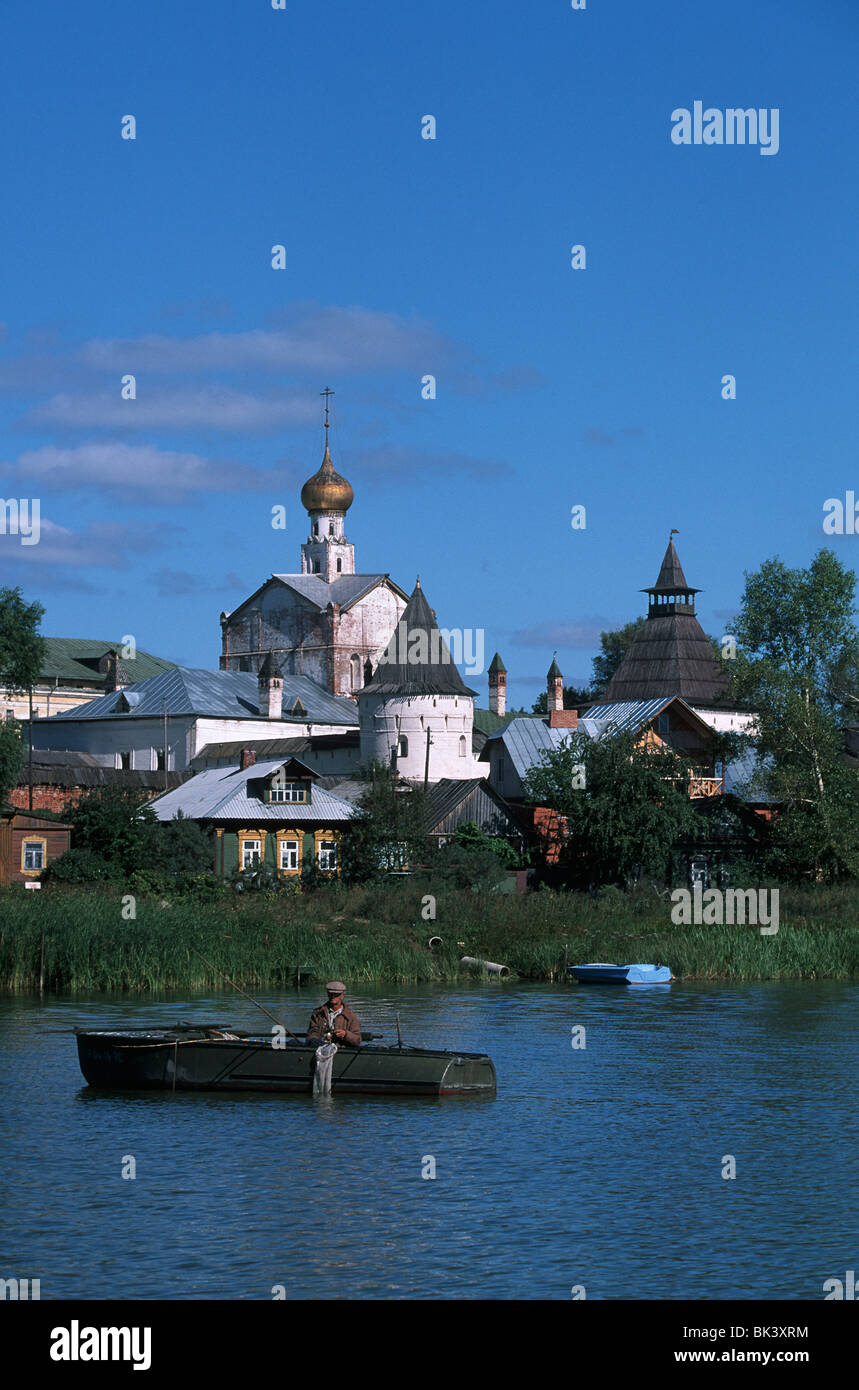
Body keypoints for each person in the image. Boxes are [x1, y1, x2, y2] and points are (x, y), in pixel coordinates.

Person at [307, 982, 361, 1047]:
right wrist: (314, 1039)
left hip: (341, 1051)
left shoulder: (351, 1017)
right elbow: (312, 1032)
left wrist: (345, 1034)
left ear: (342, 996)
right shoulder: (317, 1013)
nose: (332, 996)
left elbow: (357, 1040)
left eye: (336, 994)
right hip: (320, 1049)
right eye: (330, 994)